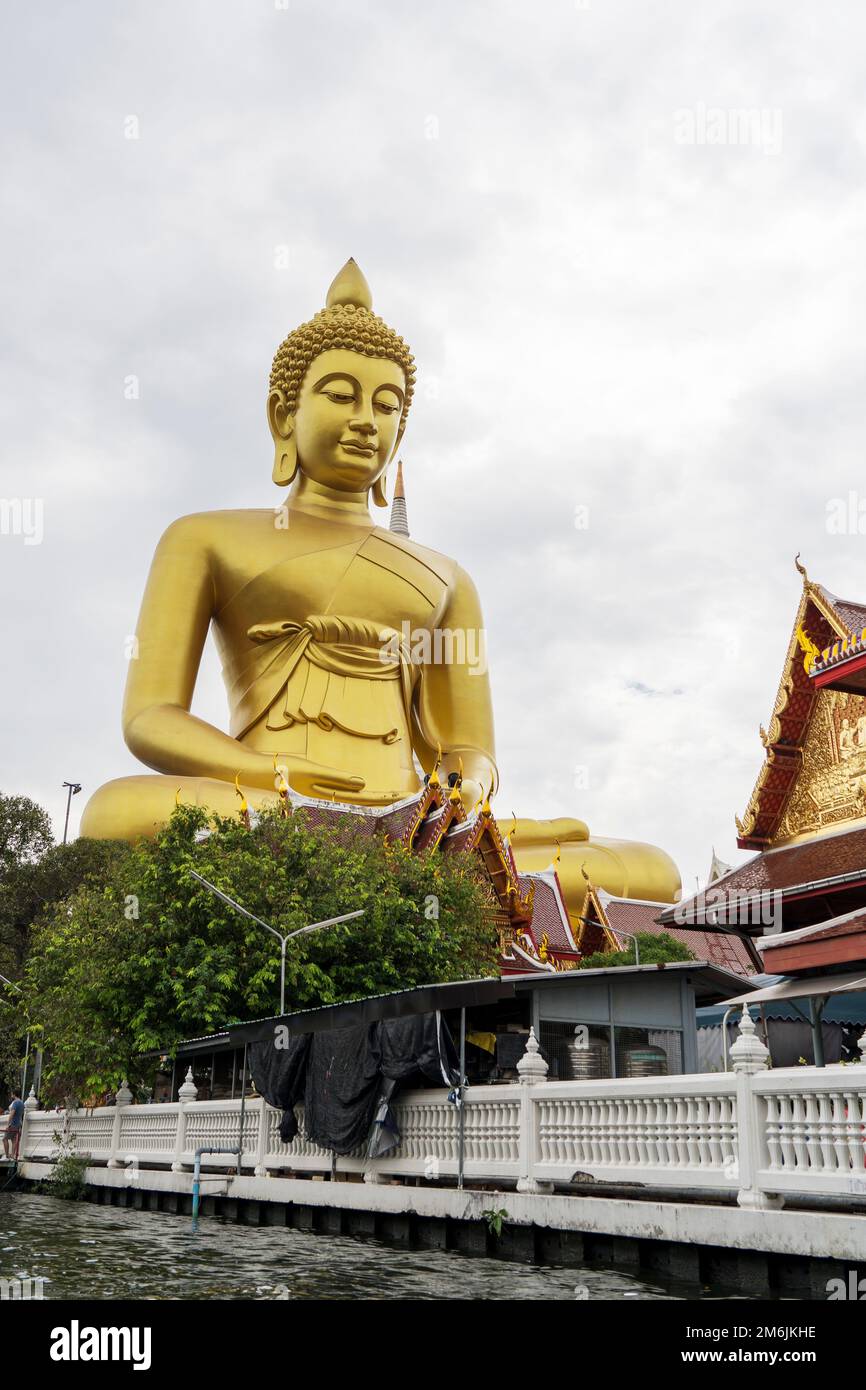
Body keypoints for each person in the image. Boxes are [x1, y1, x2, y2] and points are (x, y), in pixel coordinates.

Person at [3, 1090, 24, 1160]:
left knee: (4, 1139)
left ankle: (7, 1155)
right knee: (14, 1140)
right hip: (19, 1124)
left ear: (14, 1094)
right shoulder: (22, 1103)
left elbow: (12, 1114)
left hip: (13, 1124)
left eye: (12, 1094)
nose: (11, 1096)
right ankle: (12, 1155)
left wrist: (8, 1124)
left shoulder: (15, 1103)